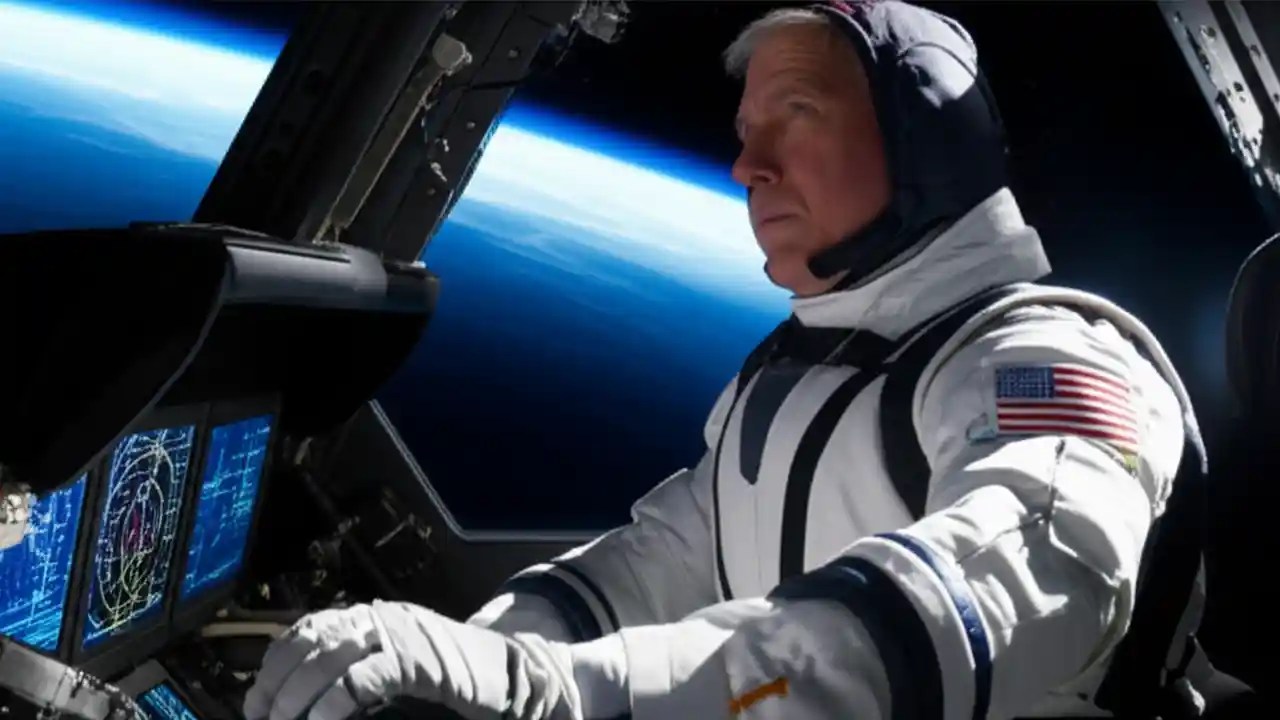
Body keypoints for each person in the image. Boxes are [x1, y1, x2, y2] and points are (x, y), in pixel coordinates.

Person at [242, 2, 1223, 718]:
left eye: (794, 114)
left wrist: (557, 691)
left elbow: (964, 609)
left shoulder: (1046, 359)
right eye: (745, 130)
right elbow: (664, 559)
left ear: (922, 140)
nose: (747, 166)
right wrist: (479, 656)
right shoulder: (795, 377)